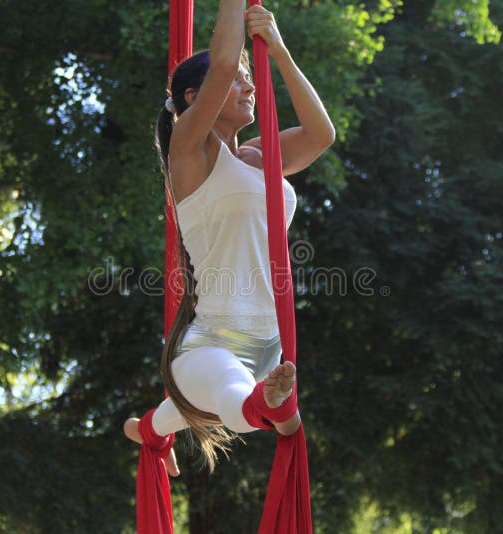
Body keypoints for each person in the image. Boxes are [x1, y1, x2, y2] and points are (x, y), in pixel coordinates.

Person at [123, 0, 334, 477]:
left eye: (247, 76)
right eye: (239, 78)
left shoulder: (263, 156)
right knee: (229, 392)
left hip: (271, 343)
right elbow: (220, 62)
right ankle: (271, 410)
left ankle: (150, 429)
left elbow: (322, 134)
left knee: (206, 400)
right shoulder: (189, 153)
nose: (248, 84)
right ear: (195, 99)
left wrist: (277, 49)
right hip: (211, 345)